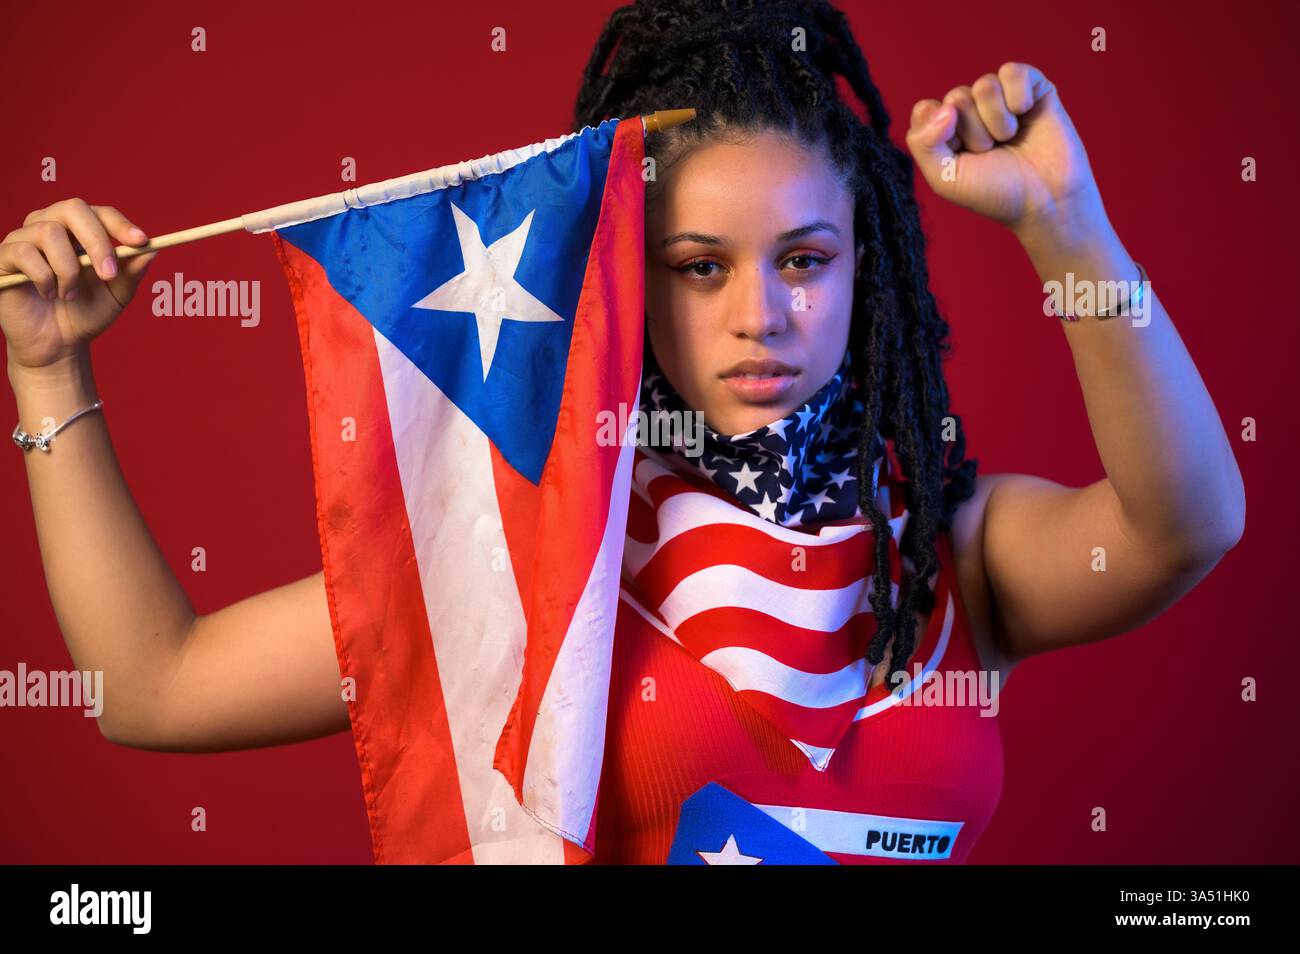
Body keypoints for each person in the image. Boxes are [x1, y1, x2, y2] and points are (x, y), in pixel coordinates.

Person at [0, 0, 1244, 863]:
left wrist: (1063, 222)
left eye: (805, 258)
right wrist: (49, 374)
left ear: (868, 263)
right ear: (630, 279)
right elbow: (149, 687)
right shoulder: (540, 551)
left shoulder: (950, 555)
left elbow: (1185, 526)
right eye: (700, 267)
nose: (763, 314)